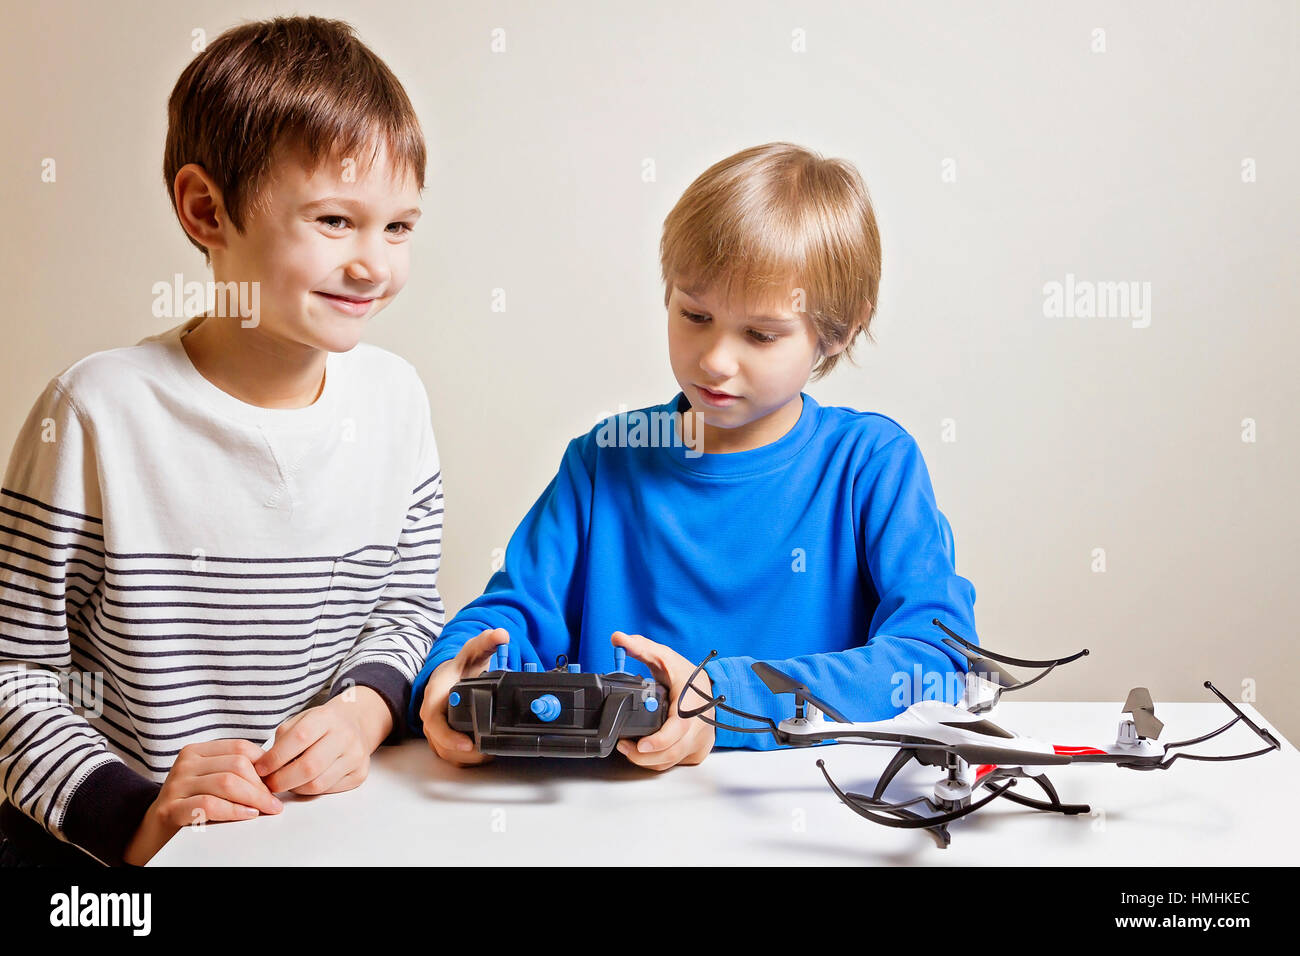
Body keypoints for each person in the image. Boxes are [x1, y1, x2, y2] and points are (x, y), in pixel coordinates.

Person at [0, 16, 441, 866]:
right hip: (104, 855)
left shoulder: (397, 400)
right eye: (334, 221)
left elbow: (406, 610)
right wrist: (133, 819)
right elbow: (12, 676)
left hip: (308, 840)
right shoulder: (95, 413)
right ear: (207, 209)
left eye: (398, 227)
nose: (373, 265)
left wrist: (365, 710)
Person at [412, 142, 979, 772]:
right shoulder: (604, 461)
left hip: (801, 807)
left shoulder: (872, 463)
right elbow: (511, 614)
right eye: (695, 314)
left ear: (838, 331)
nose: (713, 359)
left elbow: (937, 663)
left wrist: (723, 701)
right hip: (610, 817)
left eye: (760, 334)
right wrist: (460, 670)